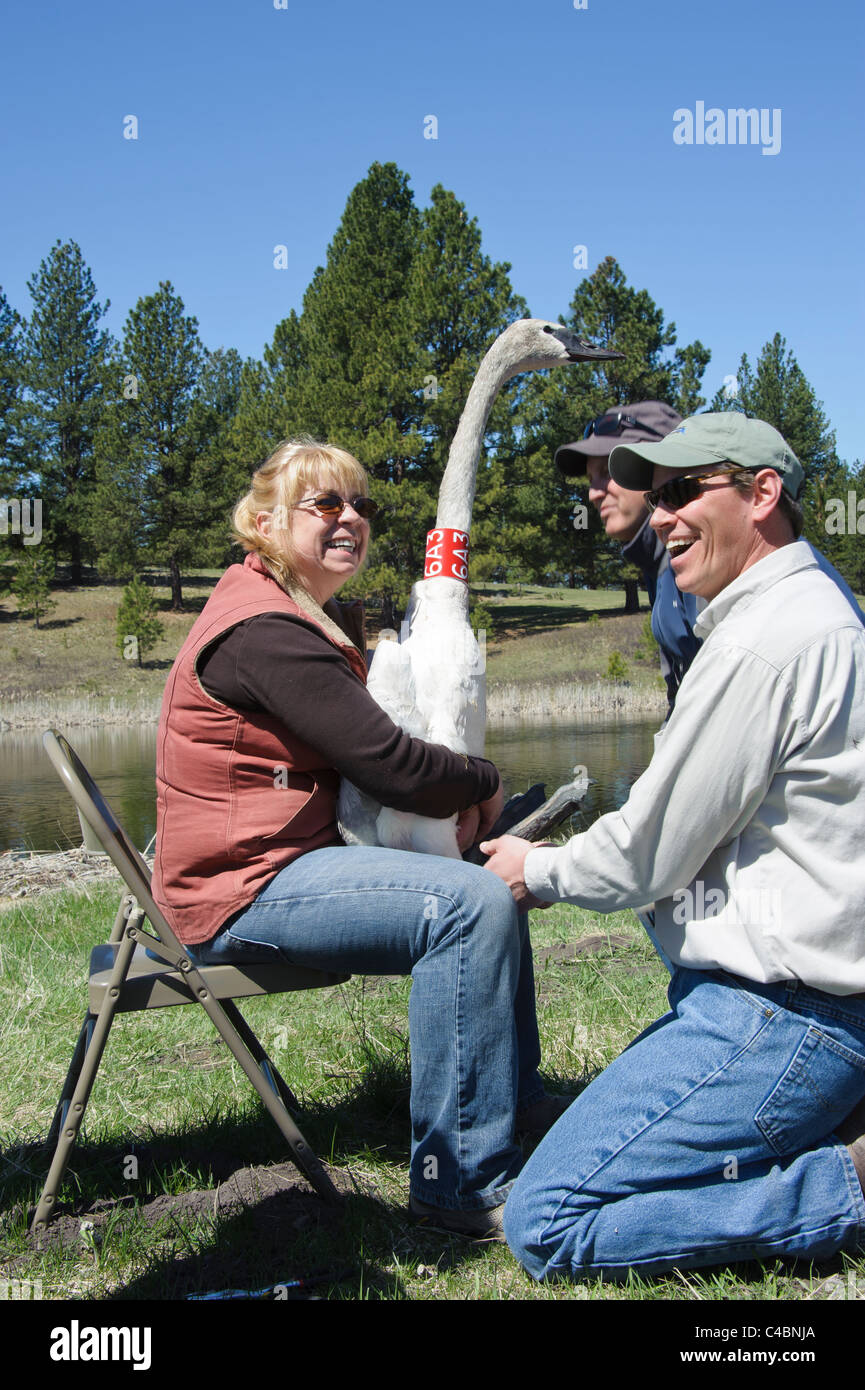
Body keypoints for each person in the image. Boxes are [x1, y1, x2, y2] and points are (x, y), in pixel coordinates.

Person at [482, 412, 865, 1279]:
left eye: (684, 490)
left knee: (547, 1221)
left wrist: (533, 869)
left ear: (762, 495)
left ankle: (847, 1184)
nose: (659, 515)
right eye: (656, 495)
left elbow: (647, 851)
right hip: (800, 1005)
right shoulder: (812, 609)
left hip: (784, 1016)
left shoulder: (762, 642)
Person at [152, 438, 554, 1239]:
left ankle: (517, 1116)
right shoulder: (264, 630)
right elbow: (393, 766)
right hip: (241, 888)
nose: (351, 519)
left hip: (279, 863)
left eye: (361, 505)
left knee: (486, 882)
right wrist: (484, 781)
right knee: (467, 905)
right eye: (324, 504)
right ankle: (458, 1186)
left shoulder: (293, 610)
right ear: (264, 522)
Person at [556, 402, 698, 716]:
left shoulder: (702, 560)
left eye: (608, 471)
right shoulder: (660, 564)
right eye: (591, 478)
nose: (593, 493)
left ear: (661, 466)